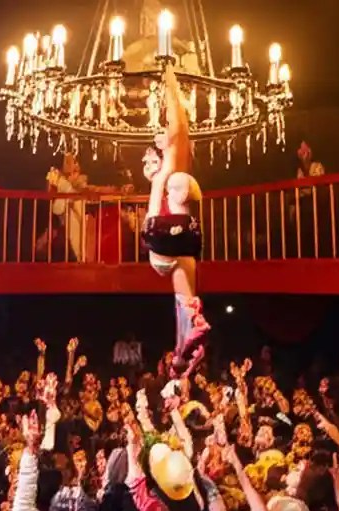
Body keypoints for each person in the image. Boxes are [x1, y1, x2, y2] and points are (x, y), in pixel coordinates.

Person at [142, 65, 207, 379]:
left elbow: (179, 124)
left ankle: (182, 356)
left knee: (186, 301)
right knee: (185, 301)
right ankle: (183, 353)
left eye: (148, 157)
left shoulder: (173, 166)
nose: (145, 162)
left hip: (167, 245)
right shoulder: (168, 173)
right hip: (163, 243)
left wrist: (170, 80)